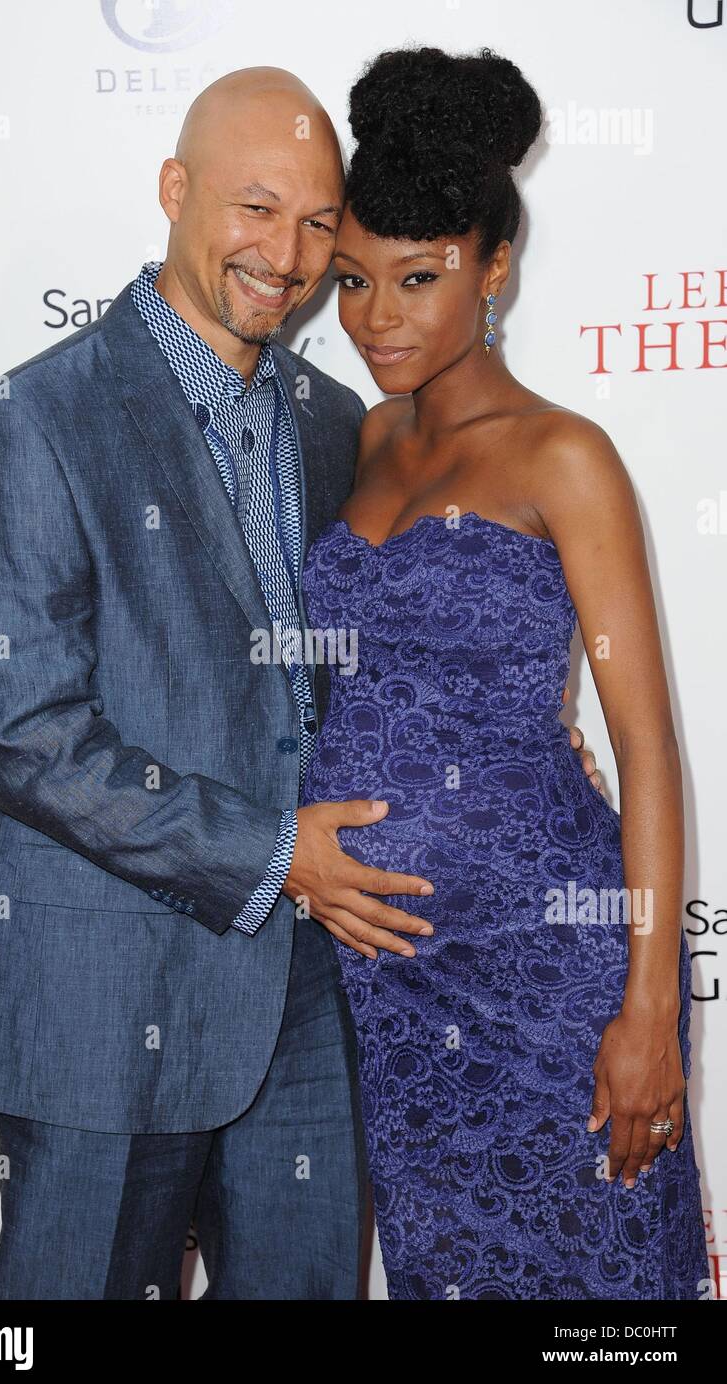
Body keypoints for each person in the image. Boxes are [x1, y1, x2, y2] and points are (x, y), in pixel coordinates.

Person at [0, 64, 602, 1301]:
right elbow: (21, 734)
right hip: (99, 994)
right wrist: (271, 852)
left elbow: (382, 647)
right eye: (252, 208)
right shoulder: (28, 422)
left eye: (313, 222)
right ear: (174, 191)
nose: (285, 255)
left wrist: (513, 724)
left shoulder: (337, 418)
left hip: (312, 993)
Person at [295, 45, 710, 1300]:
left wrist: (646, 1010)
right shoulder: (356, 437)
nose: (376, 318)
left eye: (418, 279)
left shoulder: (560, 456)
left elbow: (641, 742)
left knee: (589, 1288)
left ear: (493, 268)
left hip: (551, 967)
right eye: (355, 280)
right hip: (390, 977)